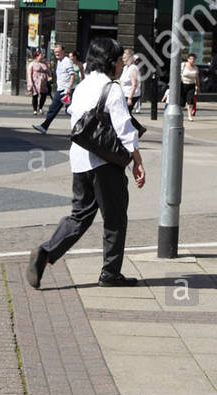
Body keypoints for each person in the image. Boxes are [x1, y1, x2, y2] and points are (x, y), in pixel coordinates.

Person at [26, 37, 147, 290]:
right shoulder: (111, 88)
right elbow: (125, 130)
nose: (121, 66)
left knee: (79, 216)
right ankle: (110, 273)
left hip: (80, 160)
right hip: (105, 163)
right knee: (115, 219)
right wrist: (137, 161)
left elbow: (76, 121)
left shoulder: (81, 87)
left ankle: (46, 251)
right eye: (118, 61)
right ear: (110, 62)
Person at [32, 43, 76, 134]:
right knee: (53, 108)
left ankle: (76, 130)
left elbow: (72, 75)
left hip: (66, 91)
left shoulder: (67, 61)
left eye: (58, 52)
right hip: (60, 90)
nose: (56, 53)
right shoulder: (59, 61)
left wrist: (69, 88)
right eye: (55, 52)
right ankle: (44, 126)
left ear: (63, 51)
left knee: (70, 110)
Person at [27, 50, 52, 115]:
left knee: (43, 95)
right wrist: (30, 81)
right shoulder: (32, 64)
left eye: (42, 56)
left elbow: (48, 71)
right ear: (36, 56)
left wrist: (50, 77)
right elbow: (29, 73)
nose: (42, 57)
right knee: (35, 95)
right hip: (35, 81)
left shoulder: (44, 63)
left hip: (43, 81)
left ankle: (40, 107)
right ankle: (35, 109)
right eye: (40, 56)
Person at [120, 49, 141, 113]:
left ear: (129, 58)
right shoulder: (125, 68)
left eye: (124, 58)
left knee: (125, 113)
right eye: (123, 58)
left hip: (130, 95)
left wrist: (130, 98)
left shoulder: (133, 68)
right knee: (126, 113)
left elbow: (134, 84)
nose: (123, 60)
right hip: (125, 94)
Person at [182, 53, 199, 120]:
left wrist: (197, 86)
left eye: (194, 59)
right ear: (188, 59)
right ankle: (181, 115)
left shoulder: (195, 68)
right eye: (191, 59)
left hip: (192, 85)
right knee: (182, 101)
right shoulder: (183, 65)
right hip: (183, 84)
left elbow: (197, 77)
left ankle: (190, 115)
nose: (192, 60)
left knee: (190, 100)